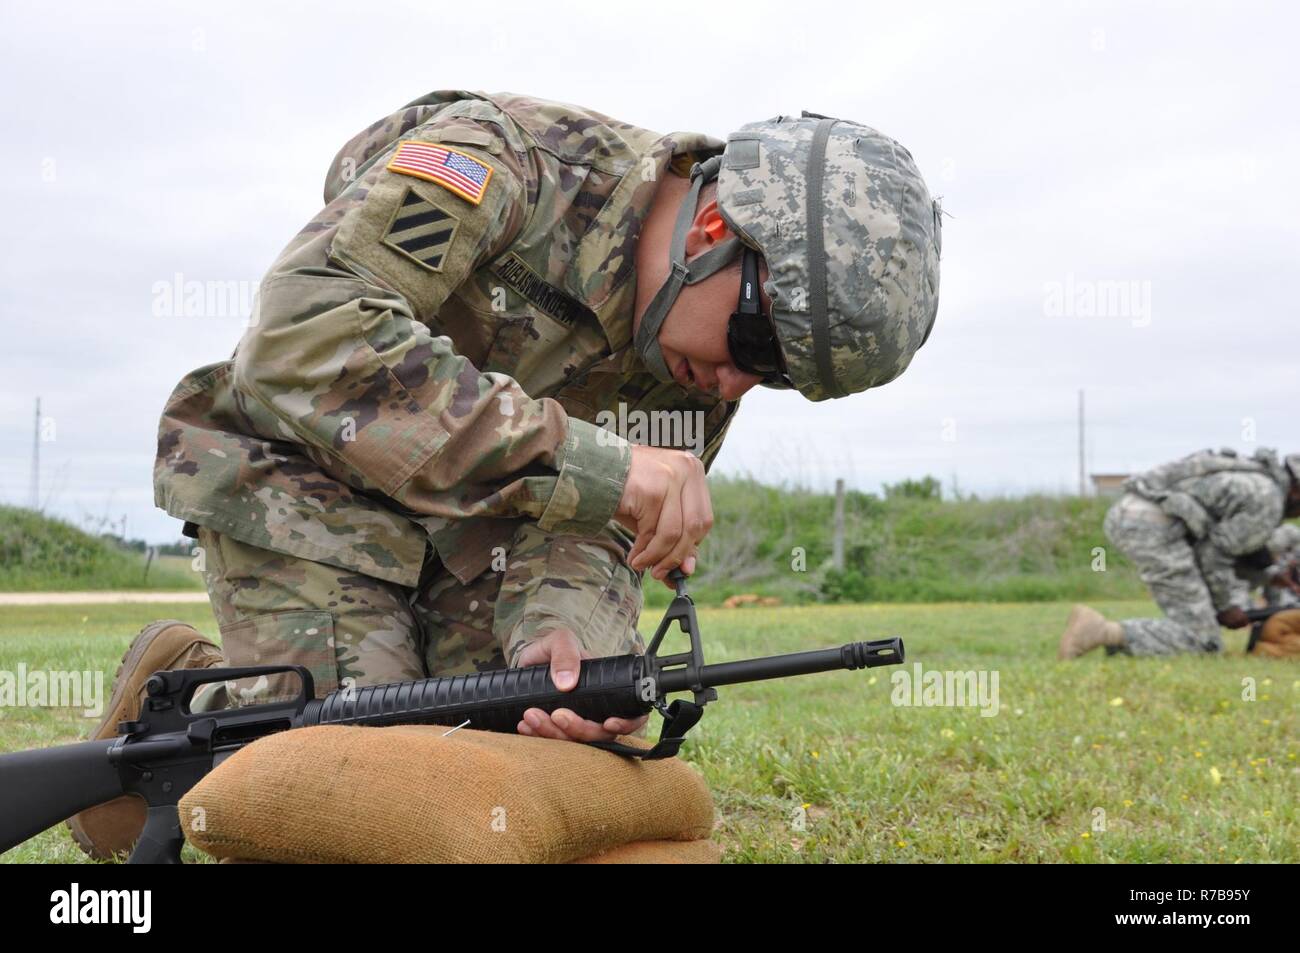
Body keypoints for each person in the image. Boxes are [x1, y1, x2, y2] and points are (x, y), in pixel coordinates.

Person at [69, 90, 943, 857]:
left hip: (473, 551)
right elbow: (302, 333)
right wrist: (591, 461)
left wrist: (557, 639)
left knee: (503, 759)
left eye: (781, 378)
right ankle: (180, 727)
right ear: (716, 231)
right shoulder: (507, 161)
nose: (736, 383)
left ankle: (215, 701)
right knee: (365, 785)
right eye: (759, 345)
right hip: (312, 493)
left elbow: (599, 529)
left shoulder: (695, 364)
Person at [1059, 448, 1300, 659]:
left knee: (1198, 625)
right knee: (1203, 642)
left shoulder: (1256, 478)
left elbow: (1226, 551)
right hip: (1155, 528)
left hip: (1136, 516)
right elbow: (1214, 556)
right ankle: (1102, 631)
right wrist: (1227, 607)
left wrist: (1269, 579)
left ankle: (1127, 644)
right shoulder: (1268, 500)